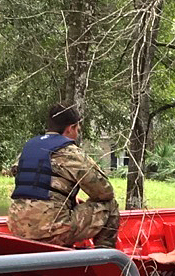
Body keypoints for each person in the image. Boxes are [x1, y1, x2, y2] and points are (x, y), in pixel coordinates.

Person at [8, 103, 119, 248]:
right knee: (110, 205)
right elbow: (105, 192)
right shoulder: (70, 152)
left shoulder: (29, 148)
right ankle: (104, 255)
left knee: (65, 209)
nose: (77, 134)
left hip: (17, 226)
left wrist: (68, 198)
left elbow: (31, 180)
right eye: (77, 129)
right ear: (70, 128)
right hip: (51, 230)